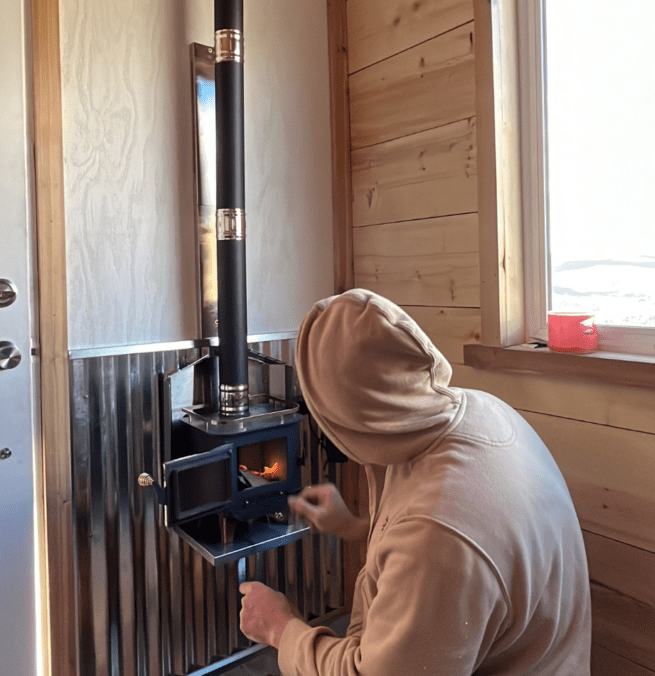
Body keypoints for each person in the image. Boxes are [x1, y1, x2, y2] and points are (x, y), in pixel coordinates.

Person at [239, 289, 591, 675]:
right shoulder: (476, 410)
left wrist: (280, 628)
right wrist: (355, 527)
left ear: (344, 420)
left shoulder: (437, 540)